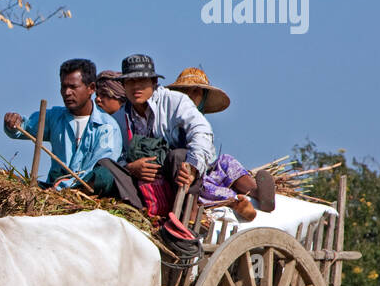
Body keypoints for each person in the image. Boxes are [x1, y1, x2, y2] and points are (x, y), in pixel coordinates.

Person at [94, 53, 215, 216]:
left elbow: (201, 131)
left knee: (178, 156)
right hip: (141, 185)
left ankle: (186, 216)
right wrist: (131, 168)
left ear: (154, 82)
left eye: (142, 81)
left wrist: (192, 169)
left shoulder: (175, 101)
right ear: (123, 85)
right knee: (105, 163)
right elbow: (116, 154)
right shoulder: (118, 119)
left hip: (176, 178)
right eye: (130, 81)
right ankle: (138, 214)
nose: (136, 87)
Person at [167, 67, 275, 222]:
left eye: (195, 92)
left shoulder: (201, 123)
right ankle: (236, 202)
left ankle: (257, 192)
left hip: (211, 169)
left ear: (203, 97)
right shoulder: (171, 122)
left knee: (227, 160)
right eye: (185, 91)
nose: (190, 96)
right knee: (207, 188)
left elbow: (209, 156)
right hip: (193, 175)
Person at [3, 58, 122, 191]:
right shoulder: (54, 116)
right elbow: (23, 128)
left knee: (105, 175)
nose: (67, 93)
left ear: (91, 88)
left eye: (73, 87)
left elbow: (103, 165)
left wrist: (68, 188)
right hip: (54, 186)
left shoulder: (107, 126)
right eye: (63, 86)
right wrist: (13, 122)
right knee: (10, 179)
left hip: (84, 189)